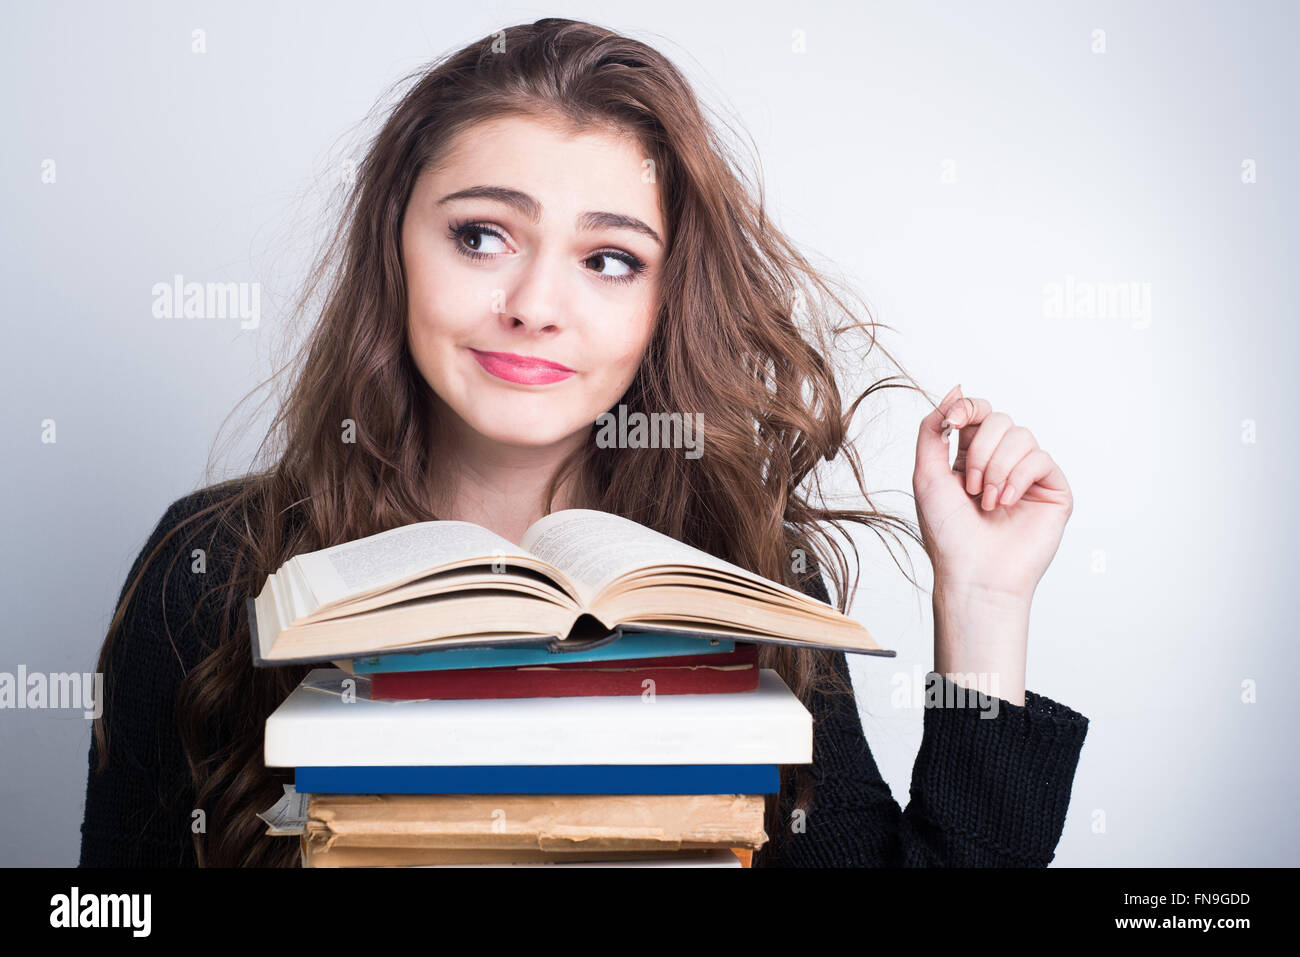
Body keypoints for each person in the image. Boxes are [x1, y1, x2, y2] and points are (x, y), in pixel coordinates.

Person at [79, 18, 1088, 868]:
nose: (534, 307)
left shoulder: (738, 575)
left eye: (608, 259)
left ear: (663, 303)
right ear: (396, 249)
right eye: (480, 236)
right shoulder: (211, 566)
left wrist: (986, 606)